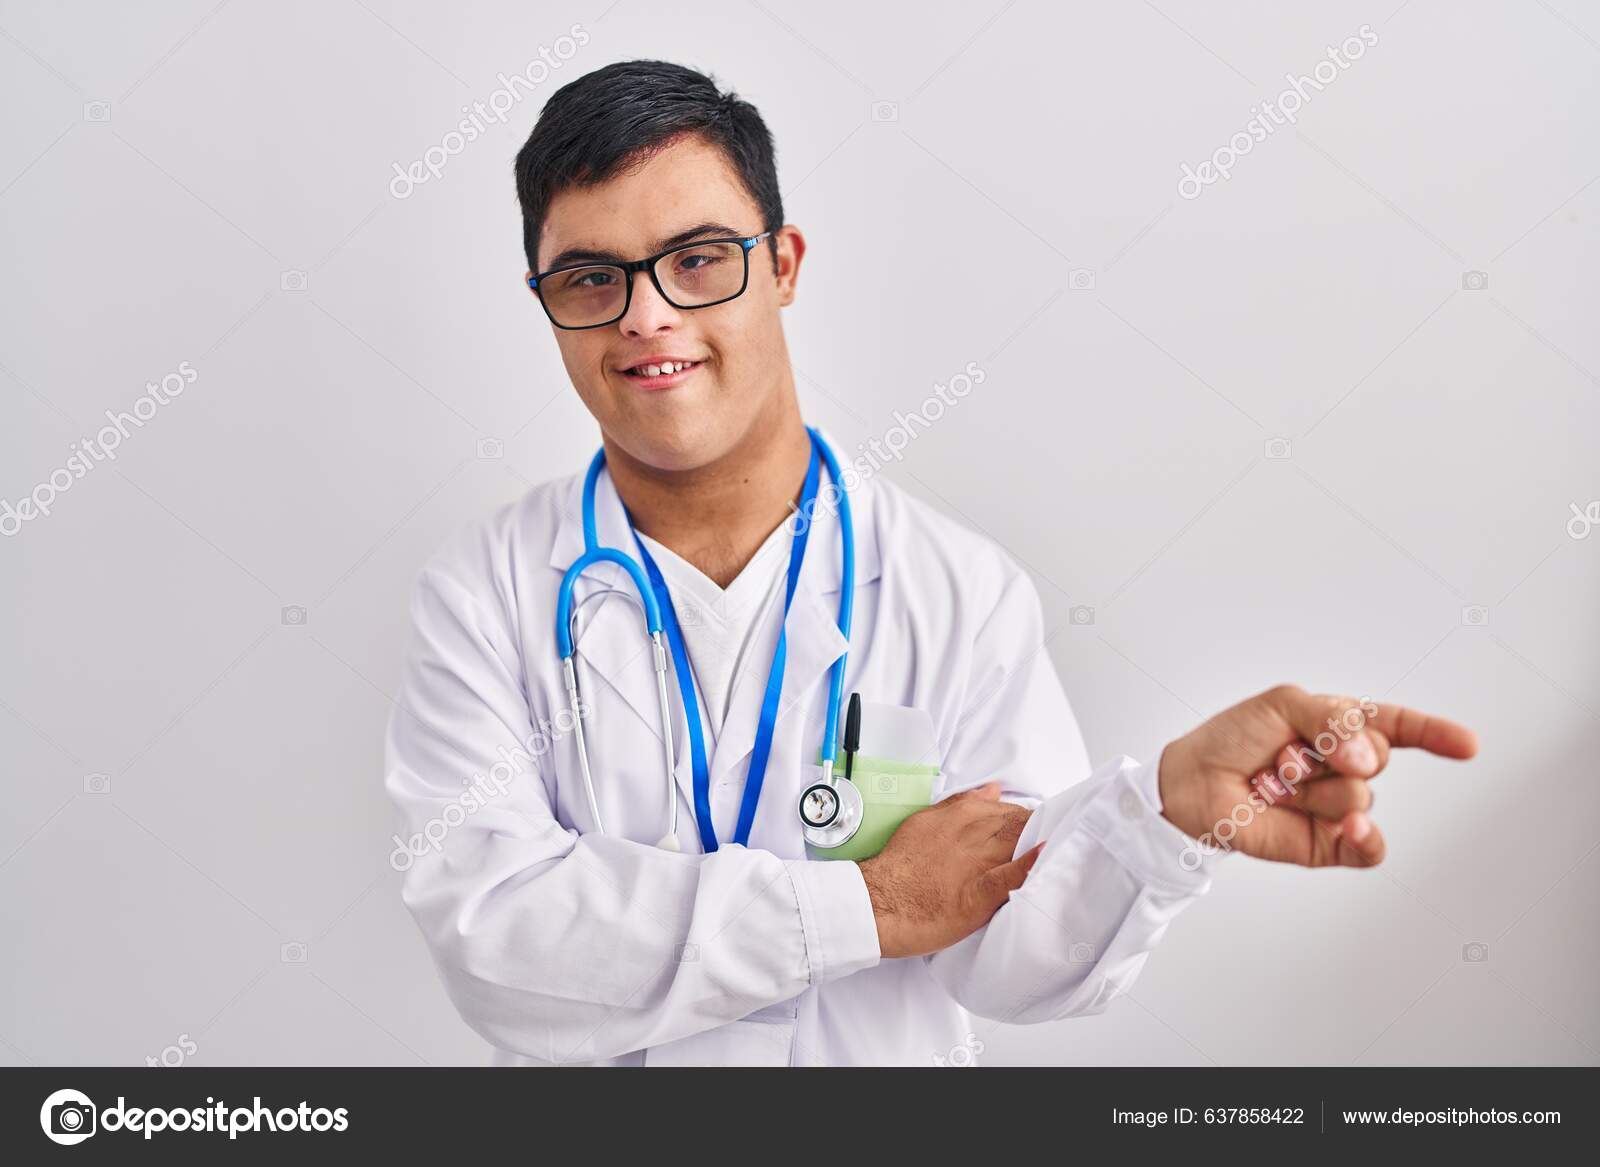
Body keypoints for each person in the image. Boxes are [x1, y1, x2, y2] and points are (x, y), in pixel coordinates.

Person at [383, 59, 1478, 1067]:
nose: (648, 316)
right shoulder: (485, 597)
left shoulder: (954, 588)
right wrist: (872, 907)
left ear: (785, 267)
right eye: (588, 279)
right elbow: (499, 943)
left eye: (699, 259)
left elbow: (1009, 956)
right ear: (547, 305)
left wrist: (1164, 814)